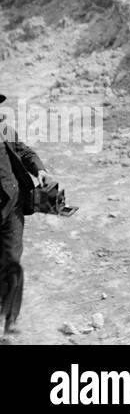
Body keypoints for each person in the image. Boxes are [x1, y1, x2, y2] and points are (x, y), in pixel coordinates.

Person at [1, 91, 55, 336]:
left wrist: (40, 171)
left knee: (13, 259)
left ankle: (10, 318)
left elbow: (25, 152)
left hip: (13, 205)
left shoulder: (5, 130)